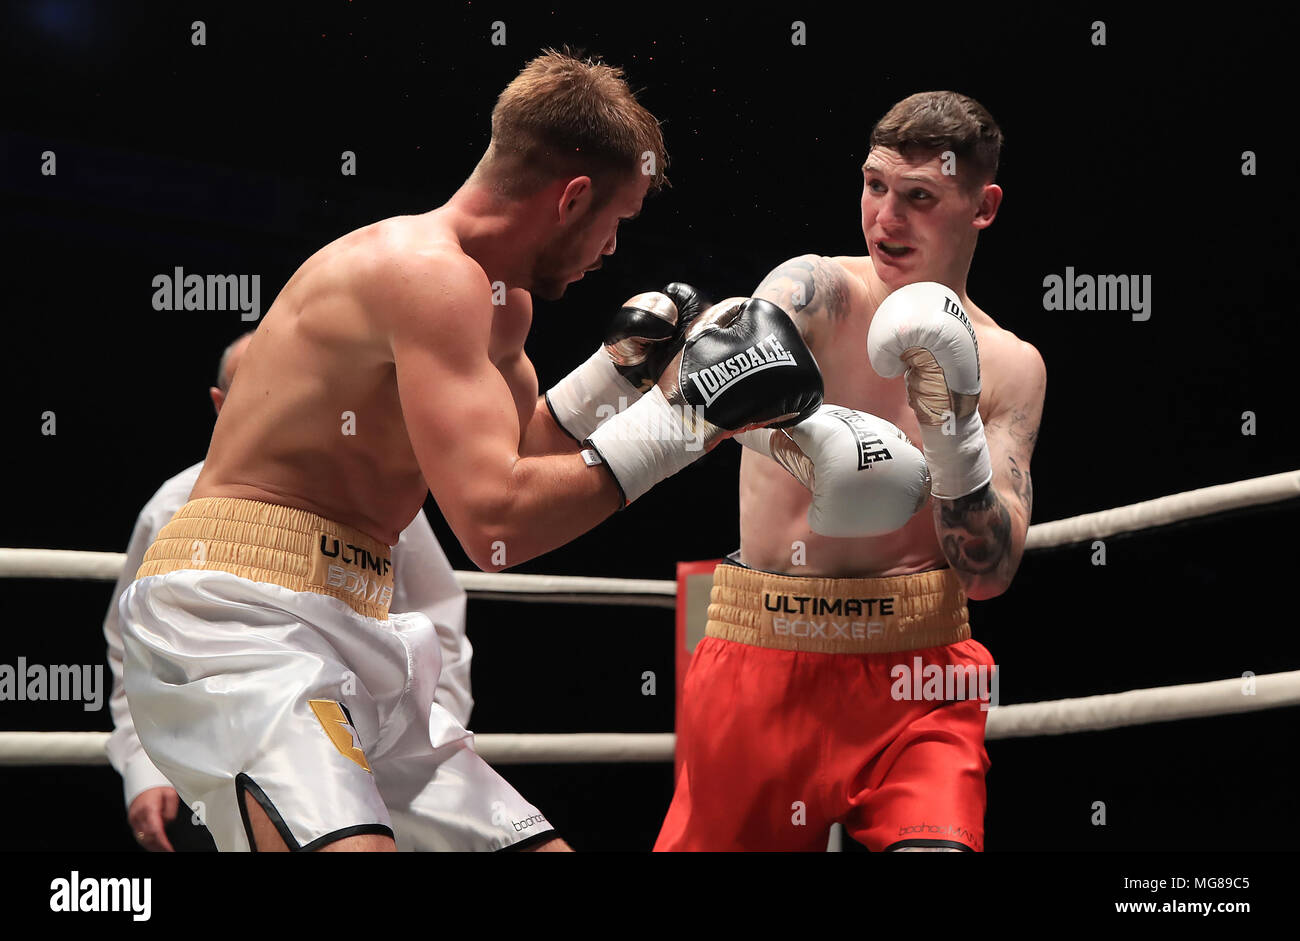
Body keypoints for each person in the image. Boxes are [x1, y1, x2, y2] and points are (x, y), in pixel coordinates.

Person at [118, 48, 822, 852]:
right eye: (616, 222)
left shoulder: (502, 305)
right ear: (573, 197)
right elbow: (497, 521)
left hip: (355, 618)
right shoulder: (426, 274)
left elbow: (523, 459)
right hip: (238, 614)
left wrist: (619, 374)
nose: (614, 250)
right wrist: (686, 417)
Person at [656, 91, 1047, 852]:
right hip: (762, 655)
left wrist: (951, 431)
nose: (886, 219)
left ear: (983, 206)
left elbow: (990, 572)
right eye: (874, 186)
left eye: (919, 197)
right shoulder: (815, 292)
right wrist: (811, 437)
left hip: (921, 677)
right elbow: (688, 400)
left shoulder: (1012, 365)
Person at [105, 333, 472, 851]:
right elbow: (134, 651)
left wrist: (422, 745)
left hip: (375, 744)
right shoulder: (174, 507)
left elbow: (437, 620)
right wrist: (144, 767)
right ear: (220, 403)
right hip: (223, 749)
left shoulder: (375, 494)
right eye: (256, 385)